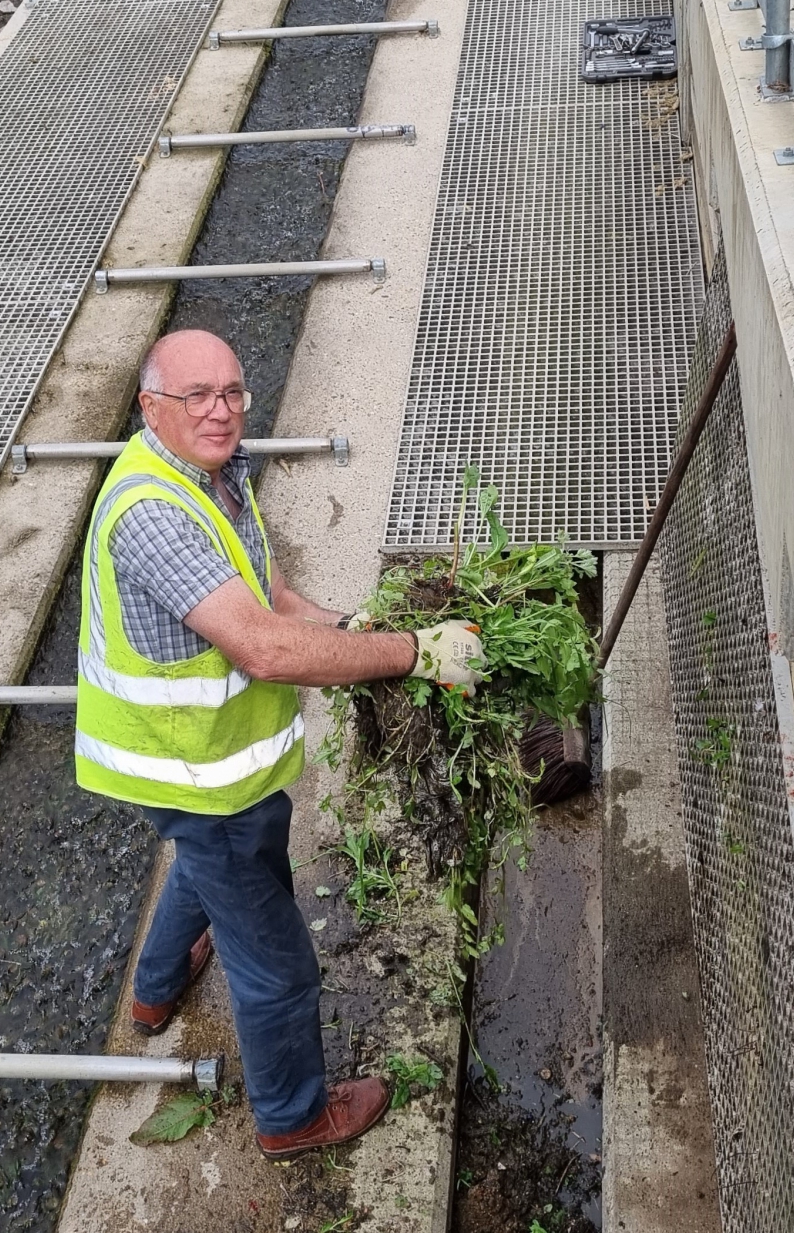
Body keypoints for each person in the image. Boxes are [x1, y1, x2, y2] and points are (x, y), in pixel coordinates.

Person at [75, 327, 486, 1159]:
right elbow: (261, 646)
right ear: (151, 407)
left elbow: (272, 597)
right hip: (197, 771)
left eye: (233, 392)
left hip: (215, 770)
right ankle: (294, 1116)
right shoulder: (154, 514)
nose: (222, 412)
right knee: (275, 961)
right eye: (198, 397)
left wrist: (363, 629)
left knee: (208, 867)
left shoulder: (214, 474)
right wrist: (412, 654)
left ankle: (153, 994)